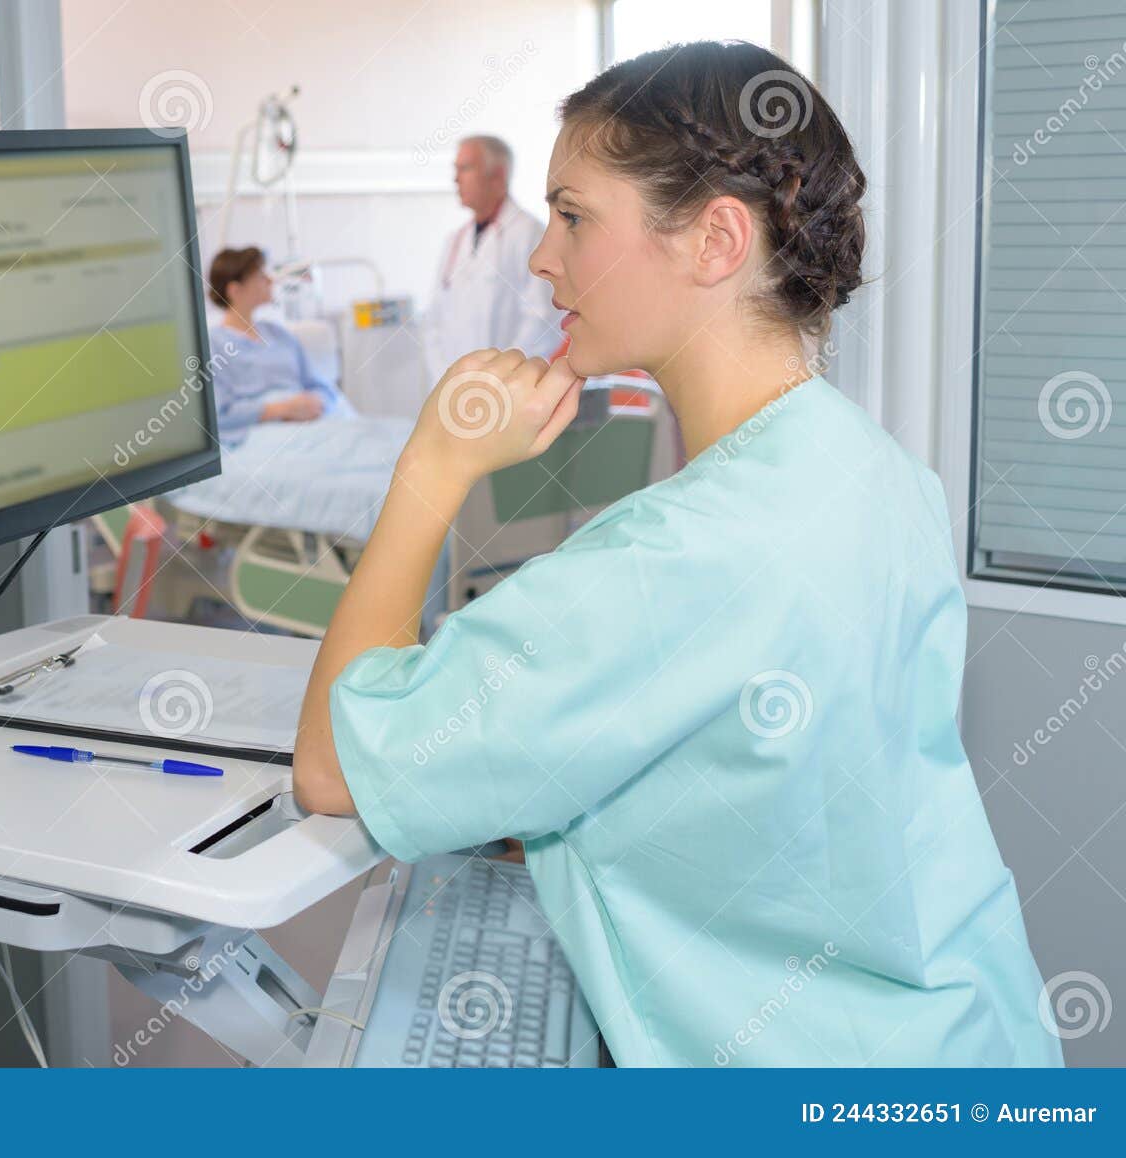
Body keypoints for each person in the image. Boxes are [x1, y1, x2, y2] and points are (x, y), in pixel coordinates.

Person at [291, 42, 1061, 1067]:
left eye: (572, 217)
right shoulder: (875, 471)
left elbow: (332, 768)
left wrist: (431, 467)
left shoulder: (674, 558)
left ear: (712, 241)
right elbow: (787, 774)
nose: (540, 256)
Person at [421, 135, 561, 385]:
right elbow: (433, 320)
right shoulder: (454, 242)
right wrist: (447, 379)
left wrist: (498, 378)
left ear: (497, 175)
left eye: (465, 168)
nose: (455, 179)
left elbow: (542, 319)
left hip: (507, 389)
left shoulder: (531, 235)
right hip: (452, 389)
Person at [205, 247, 351, 439]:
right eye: (260, 276)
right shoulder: (213, 344)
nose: (270, 280)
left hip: (316, 422)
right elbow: (219, 415)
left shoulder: (280, 335)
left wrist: (317, 403)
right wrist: (279, 409)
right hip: (265, 436)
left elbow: (321, 386)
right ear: (235, 290)